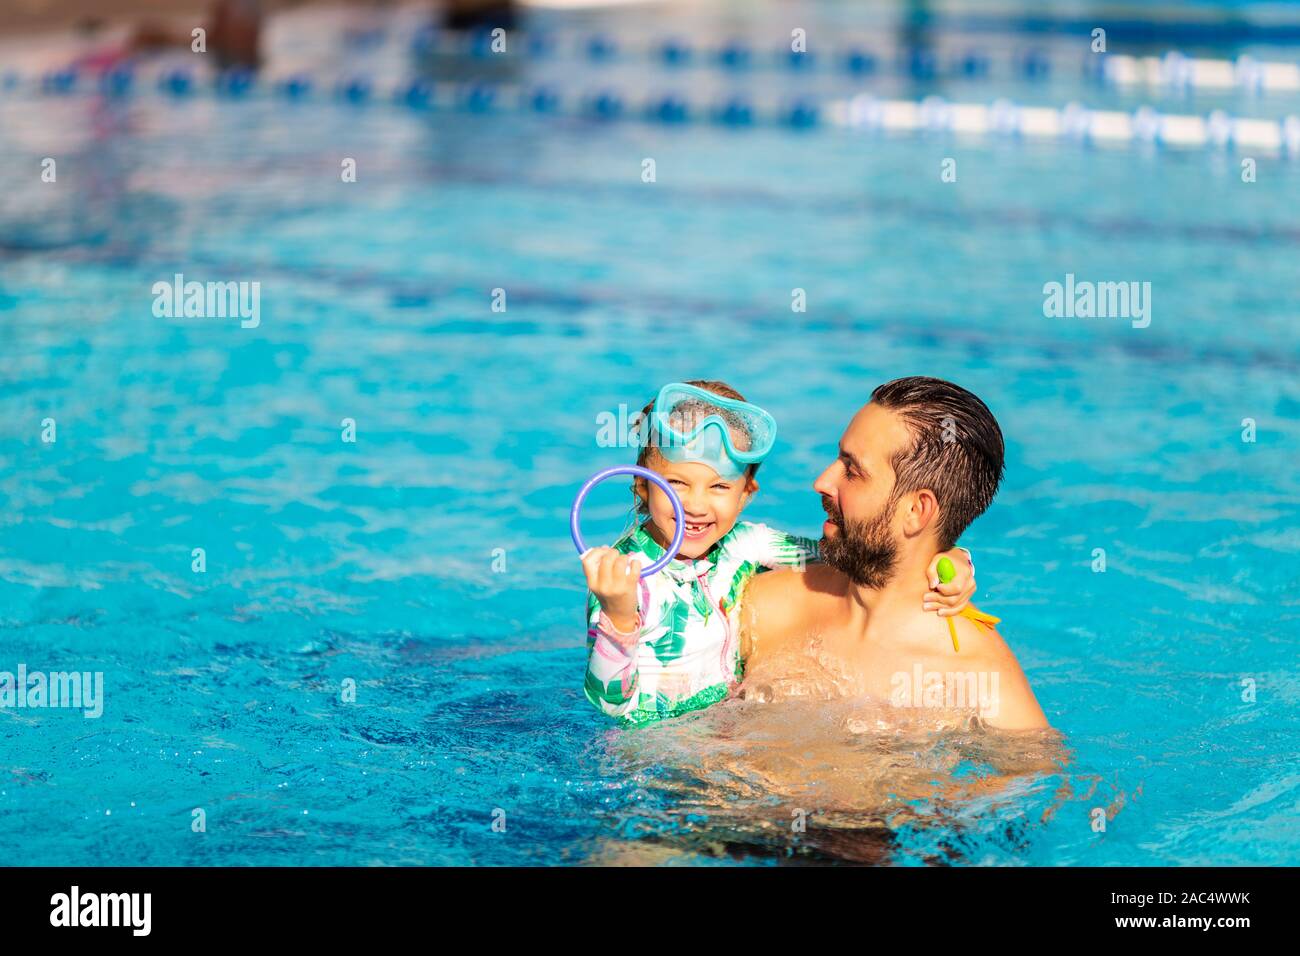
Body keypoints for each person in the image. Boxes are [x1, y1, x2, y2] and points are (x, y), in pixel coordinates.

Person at [581, 380, 978, 725]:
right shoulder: (624, 576)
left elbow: (849, 555)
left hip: (720, 734)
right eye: (676, 485)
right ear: (642, 486)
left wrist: (945, 559)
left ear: (745, 495)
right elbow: (608, 705)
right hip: (648, 753)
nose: (696, 506)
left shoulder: (745, 544)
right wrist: (618, 614)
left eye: (719, 487)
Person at [736, 376, 1049, 731]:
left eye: (852, 471)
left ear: (916, 511)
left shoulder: (979, 681)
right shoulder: (762, 605)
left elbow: (1046, 781)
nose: (822, 481)